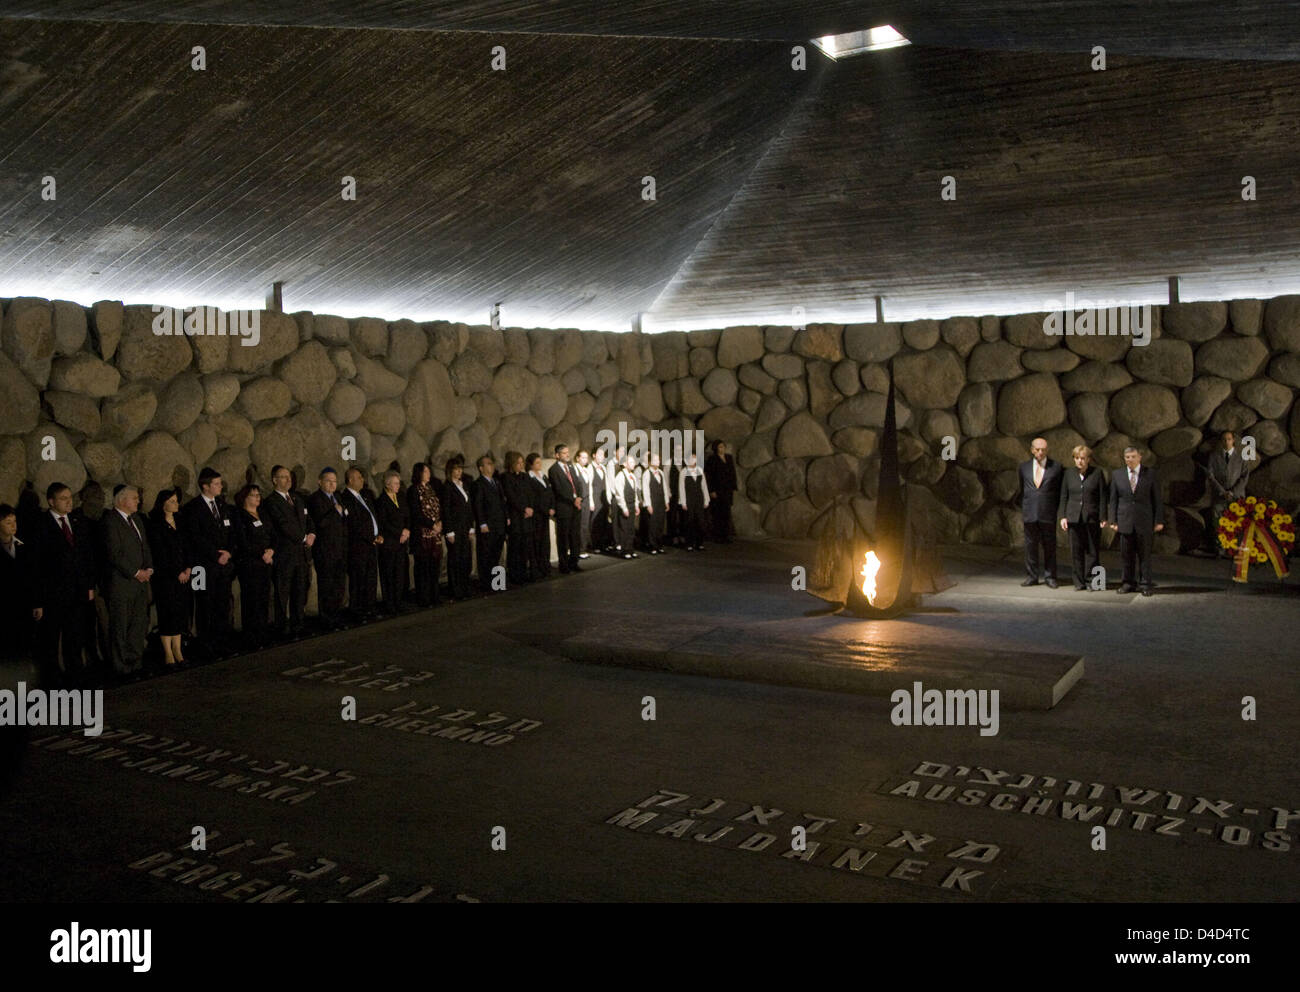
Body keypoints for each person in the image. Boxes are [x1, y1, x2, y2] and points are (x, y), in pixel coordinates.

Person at [31, 482, 97, 687]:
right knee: (51, 640)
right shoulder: (41, 525)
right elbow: (36, 565)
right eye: (63, 498)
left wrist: (88, 585)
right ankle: (52, 681)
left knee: (75, 637)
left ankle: (75, 677)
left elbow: (86, 555)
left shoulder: (77, 521)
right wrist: (38, 600)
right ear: (51, 501)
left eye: (70, 497)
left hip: (76, 593)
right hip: (53, 594)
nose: (69, 502)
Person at [100, 485, 154, 681]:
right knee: (121, 626)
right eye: (134, 498)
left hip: (140, 583)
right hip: (121, 583)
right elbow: (114, 554)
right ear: (122, 500)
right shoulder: (110, 521)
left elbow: (144, 547)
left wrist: (148, 568)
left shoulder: (137, 520)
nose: (138, 501)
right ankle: (121, 667)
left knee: (138, 624)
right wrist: (135, 572)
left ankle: (135, 662)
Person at [180, 467, 236, 655]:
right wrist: (215, 554)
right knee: (204, 604)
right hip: (201, 567)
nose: (221, 486)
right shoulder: (192, 508)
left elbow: (229, 531)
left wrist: (228, 552)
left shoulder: (221, 505)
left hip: (223, 566)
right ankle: (205, 643)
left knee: (222, 603)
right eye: (217, 483)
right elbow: (195, 538)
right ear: (205, 486)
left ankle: (222, 640)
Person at [264, 464, 316, 636]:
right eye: (284, 477)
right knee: (282, 592)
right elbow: (282, 525)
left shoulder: (297, 498)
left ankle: (298, 624)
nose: (288, 480)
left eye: (289, 477)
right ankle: (281, 627)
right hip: (284, 554)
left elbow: (308, 519)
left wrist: (312, 534)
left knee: (300, 590)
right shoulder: (271, 502)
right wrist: (303, 537)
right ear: (274, 480)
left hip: (301, 553)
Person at [1107, 446, 1164, 596]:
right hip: (1125, 521)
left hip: (1144, 521)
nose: (1130, 460)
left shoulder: (1150, 474)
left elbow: (1157, 499)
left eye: (1133, 457)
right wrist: (1112, 520)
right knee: (1126, 555)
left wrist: (1159, 520)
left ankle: (1145, 583)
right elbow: (1113, 500)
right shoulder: (1117, 475)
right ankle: (1127, 582)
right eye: (1127, 457)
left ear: (1140, 457)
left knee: (1144, 555)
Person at [147, 488, 192, 666]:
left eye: (176, 501)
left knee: (180, 612)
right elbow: (160, 553)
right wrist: (176, 572)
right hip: (166, 577)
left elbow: (187, 545)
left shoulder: (180, 521)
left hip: (183, 575)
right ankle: (168, 652)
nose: (176, 504)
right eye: (172, 501)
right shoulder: (155, 524)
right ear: (163, 503)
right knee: (168, 612)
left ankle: (178, 649)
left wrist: (188, 568)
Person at [1057, 445, 1107, 591]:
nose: (1080, 461)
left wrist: (1103, 516)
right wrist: (1063, 516)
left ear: (1088, 459)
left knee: (1092, 550)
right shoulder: (1068, 473)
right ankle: (1078, 581)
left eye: (1083, 458)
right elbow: (1064, 496)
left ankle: (1092, 579)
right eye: (1077, 458)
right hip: (1073, 517)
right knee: (1075, 551)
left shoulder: (1097, 473)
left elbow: (1103, 496)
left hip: (1092, 516)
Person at [231, 483, 274, 647]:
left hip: (266, 563)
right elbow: (243, 541)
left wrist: (271, 550)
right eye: (254, 495)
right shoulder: (240, 516)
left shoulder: (262, 513)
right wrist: (261, 553)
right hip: (249, 564)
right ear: (245, 498)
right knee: (251, 600)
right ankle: (251, 635)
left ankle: (263, 632)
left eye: (258, 495)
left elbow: (272, 534)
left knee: (264, 598)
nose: (258, 498)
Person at [1018, 437, 1064, 588]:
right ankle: (1032, 576)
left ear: (1047, 450)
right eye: (1037, 449)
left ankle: (1050, 577)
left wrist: (1057, 510)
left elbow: (1059, 491)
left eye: (1043, 449)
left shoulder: (1056, 467)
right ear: (1032, 450)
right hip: (1030, 512)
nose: (1040, 452)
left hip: (1047, 512)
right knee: (1030, 546)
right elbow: (1022, 489)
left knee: (1049, 546)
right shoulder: (1024, 467)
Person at [306, 467, 348, 627]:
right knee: (326, 586)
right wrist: (334, 512)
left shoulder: (337, 497)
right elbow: (320, 523)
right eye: (328, 481)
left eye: (334, 481)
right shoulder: (315, 499)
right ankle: (326, 618)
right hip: (325, 550)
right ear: (320, 482)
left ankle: (336, 615)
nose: (332, 484)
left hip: (340, 549)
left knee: (338, 585)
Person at [339, 467, 381, 619]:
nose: (362, 480)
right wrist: (371, 537)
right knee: (358, 579)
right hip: (358, 546)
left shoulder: (365, 496)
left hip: (371, 544)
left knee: (370, 577)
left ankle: (369, 607)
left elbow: (372, 516)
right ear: (350, 480)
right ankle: (357, 610)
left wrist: (378, 533)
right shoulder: (345, 498)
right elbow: (354, 524)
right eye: (359, 477)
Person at [1206, 430, 1249, 557]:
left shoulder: (1241, 457)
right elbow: (1211, 475)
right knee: (1218, 521)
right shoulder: (1214, 456)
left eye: (1229, 439)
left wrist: (1233, 492)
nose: (1227, 442)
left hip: (1236, 496)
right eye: (1224, 439)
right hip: (1220, 496)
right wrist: (1222, 491)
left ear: (1233, 440)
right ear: (1221, 441)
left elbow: (1244, 477)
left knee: (1237, 522)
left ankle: (1235, 548)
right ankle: (1220, 548)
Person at [0, 504, 35, 662]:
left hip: (23, 604)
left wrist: (36, 602)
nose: (13, 525)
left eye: (15, 521)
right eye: (8, 522)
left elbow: (32, 575)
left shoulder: (22, 545)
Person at [374, 469, 411, 614]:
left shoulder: (401, 497)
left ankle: (398, 601)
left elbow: (408, 515)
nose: (398, 486)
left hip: (402, 542)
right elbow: (383, 523)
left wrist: (407, 529)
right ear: (387, 484)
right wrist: (399, 532)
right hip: (389, 543)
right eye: (395, 483)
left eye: (399, 483)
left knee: (399, 574)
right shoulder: (381, 501)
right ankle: (389, 604)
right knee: (388, 574)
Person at [406, 463, 443, 607]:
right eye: (425, 471)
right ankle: (423, 598)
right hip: (422, 535)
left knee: (434, 567)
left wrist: (439, 524)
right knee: (423, 567)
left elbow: (438, 509)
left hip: (435, 534)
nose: (429, 473)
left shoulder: (431, 488)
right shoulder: (413, 491)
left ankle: (434, 596)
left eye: (429, 471)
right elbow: (416, 513)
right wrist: (431, 524)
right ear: (419, 473)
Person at [472, 454, 508, 590]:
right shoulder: (478, 484)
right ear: (481, 468)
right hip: (488, 524)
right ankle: (486, 583)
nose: (491, 466)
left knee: (497, 554)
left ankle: (497, 582)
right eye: (488, 464)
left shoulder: (496, 482)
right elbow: (478, 505)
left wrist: (506, 517)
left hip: (499, 524)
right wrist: (482, 523)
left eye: (492, 463)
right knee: (486, 554)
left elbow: (502, 502)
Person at [547, 444, 584, 573]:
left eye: (568, 452)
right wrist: (573, 500)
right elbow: (559, 489)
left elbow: (578, 483)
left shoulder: (570, 466)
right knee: (563, 538)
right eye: (564, 453)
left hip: (576, 507)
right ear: (557, 455)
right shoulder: (553, 470)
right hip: (564, 507)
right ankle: (564, 565)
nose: (567, 455)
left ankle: (574, 562)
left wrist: (579, 497)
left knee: (575, 536)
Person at [443, 457, 475, 599]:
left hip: (465, 527)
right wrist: (449, 531)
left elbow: (469, 508)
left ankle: (465, 586)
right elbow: (447, 510)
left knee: (465, 558)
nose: (459, 471)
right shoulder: (447, 487)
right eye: (456, 469)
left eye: (460, 468)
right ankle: (455, 589)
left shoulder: (464, 485)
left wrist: (471, 527)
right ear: (450, 471)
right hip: (454, 529)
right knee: (455, 559)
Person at [501, 451, 533, 586]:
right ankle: (514, 574)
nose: (520, 465)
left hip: (526, 516)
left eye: (522, 463)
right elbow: (511, 496)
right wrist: (523, 508)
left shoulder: (525, 477)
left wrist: (530, 507)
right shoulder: (506, 477)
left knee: (524, 546)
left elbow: (530, 493)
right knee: (515, 547)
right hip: (515, 516)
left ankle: (523, 572)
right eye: (518, 463)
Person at [526, 453, 555, 576]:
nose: (540, 464)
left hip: (545, 514)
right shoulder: (529, 478)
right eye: (537, 462)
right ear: (531, 464)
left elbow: (550, 492)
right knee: (536, 540)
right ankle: (536, 567)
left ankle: (545, 565)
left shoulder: (543, 476)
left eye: (540, 462)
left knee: (545, 540)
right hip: (537, 514)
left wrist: (552, 507)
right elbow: (533, 497)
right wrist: (543, 508)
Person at [704, 440, 737, 543]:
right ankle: (718, 536)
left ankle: (726, 535)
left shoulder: (729, 458)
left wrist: (733, 486)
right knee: (718, 514)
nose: (721, 449)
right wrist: (712, 490)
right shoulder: (712, 459)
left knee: (727, 513)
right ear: (716, 449)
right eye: (719, 447)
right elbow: (708, 476)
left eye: (723, 446)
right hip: (717, 490)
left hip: (727, 490)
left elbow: (732, 472)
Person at [678, 452, 710, 551]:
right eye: (691, 459)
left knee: (700, 521)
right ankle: (689, 544)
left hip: (699, 499)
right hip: (689, 499)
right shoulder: (683, 472)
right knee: (689, 521)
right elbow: (681, 488)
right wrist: (683, 502)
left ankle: (700, 543)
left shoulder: (699, 470)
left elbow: (704, 486)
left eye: (694, 458)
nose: (693, 460)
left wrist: (706, 499)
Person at [612, 455, 641, 558]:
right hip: (625, 505)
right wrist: (624, 508)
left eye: (634, 462)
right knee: (624, 528)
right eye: (631, 462)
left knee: (631, 528)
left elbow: (635, 493)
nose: (634, 464)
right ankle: (625, 551)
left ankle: (630, 549)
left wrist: (637, 505)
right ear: (624, 464)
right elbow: (619, 494)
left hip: (632, 504)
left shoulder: (632, 476)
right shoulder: (620, 476)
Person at [641, 452, 670, 554]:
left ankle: (659, 545)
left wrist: (666, 501)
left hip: (661, 501)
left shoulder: (661, 473)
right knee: (652, 524)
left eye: (659, 459)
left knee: (660, 523)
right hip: (653, 502)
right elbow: (645, 490)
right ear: (649, 462)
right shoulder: (646, 473)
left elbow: (664, 488)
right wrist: (648, 504)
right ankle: (652, 546)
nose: (658, 461)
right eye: (656, 460)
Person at [576, 449, 600, 557]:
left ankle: (583, 548)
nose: (585, 459)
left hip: (586, 500)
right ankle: (579, 549)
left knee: (585, 525)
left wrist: (591, 501)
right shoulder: (575, 469)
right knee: (580, 525)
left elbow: (589, 486)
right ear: (577, 458)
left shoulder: (585, 470)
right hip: (579, 500)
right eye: (583, 457)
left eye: (586, 457)